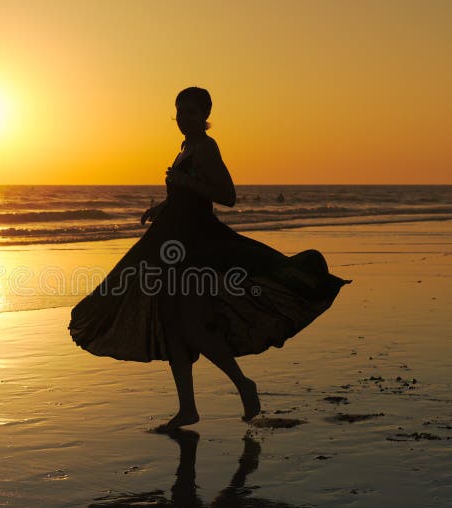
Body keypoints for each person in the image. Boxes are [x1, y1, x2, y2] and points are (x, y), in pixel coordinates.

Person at [69, 87, 351, 433]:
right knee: (173, 326)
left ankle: (242, 384)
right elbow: (187, 194)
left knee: (189, 326)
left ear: (205, 116)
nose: (184, 118)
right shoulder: (185, 147)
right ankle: (188, 408)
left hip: (193, 246)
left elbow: (227, 196)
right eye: (179, 112)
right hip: (170, 241)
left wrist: (186, 182)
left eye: (191, 112)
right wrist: (163, 206)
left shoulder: (205, 147)